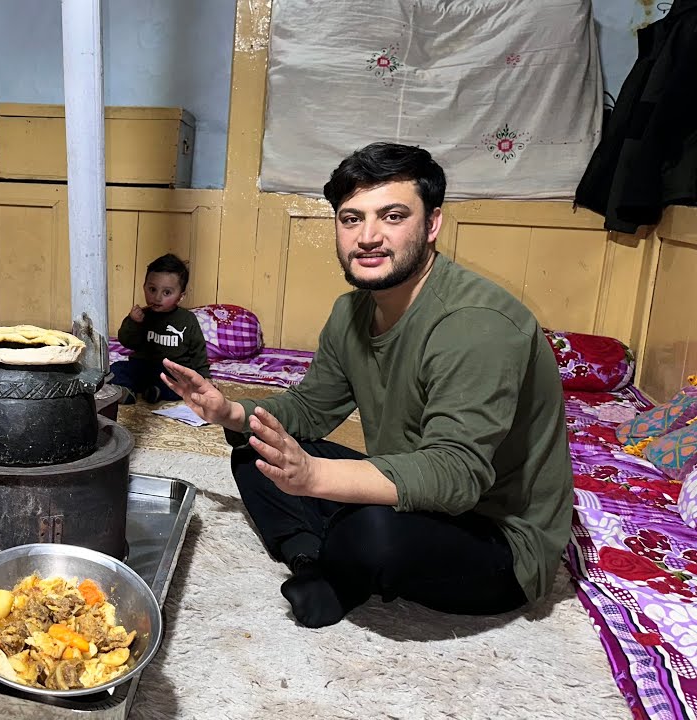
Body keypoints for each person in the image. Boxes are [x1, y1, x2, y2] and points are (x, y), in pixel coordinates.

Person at [162, 142, 573, 628]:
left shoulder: (477, 324)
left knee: (371, 530)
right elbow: (311, 408)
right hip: (408, 487)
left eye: (393, 216)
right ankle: (313, 563)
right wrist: (230, 412)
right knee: (257, 452)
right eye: (352, 218)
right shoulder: (351, 312)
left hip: (496, 534)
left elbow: (457, 476)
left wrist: (314, 477)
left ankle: (340, 565)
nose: (368, 237)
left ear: (432, 224)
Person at [110, 253, 210, 404]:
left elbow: (198, 351)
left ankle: (155, 391)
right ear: (144, 287)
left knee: (186, 385)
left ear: (180, 296)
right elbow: (127, 341)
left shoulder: (187, 319)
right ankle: (126, 392)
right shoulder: (141, 316)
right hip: (143, 367)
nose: (157, 298)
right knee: (116, 369)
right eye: (152, 289)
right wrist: (133, 322)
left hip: (173, 371)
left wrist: (205, 376)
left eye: (167, 292)